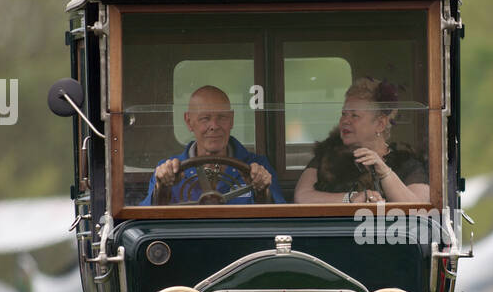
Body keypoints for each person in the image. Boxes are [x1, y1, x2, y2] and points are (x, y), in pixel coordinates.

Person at [140, 85, 285, 205]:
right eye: (205, 118)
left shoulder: (258, 166)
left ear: (232, 120)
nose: (214, 126)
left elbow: (279, 219)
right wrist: (162, 187)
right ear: (189, 121)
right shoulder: (169, 170)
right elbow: (145, 221)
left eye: (222, 117)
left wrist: (262, 189)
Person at [294, 77, 429, 203]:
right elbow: (302, 196)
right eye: (343, 114)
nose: (345, 121)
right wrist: (350, 198)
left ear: (380, 124)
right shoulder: (328, 155)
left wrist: (385, 173)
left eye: (354, 115)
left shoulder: (405, 161)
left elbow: (417, 208)